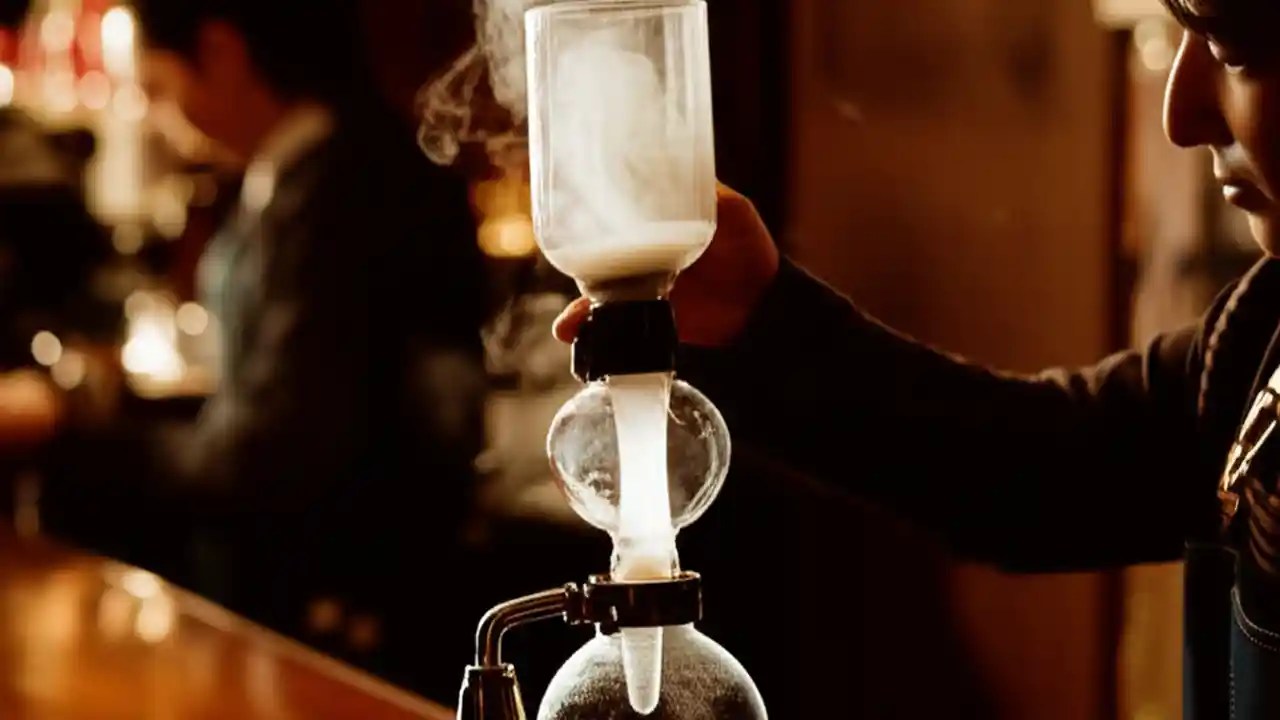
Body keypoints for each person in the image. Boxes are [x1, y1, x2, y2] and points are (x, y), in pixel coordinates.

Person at [553, 1, 1280, 717]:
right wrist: (764, 317)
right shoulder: (1259, 338)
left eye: (1229, 47)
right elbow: (1037, 469)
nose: (1181, 116)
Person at [85, 0, 489, 697]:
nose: (152, 115)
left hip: (347, 618)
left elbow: (278, 452)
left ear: (220, 52)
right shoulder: (304, 174)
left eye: (155, 87)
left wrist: (79, 432)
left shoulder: (344, 194)